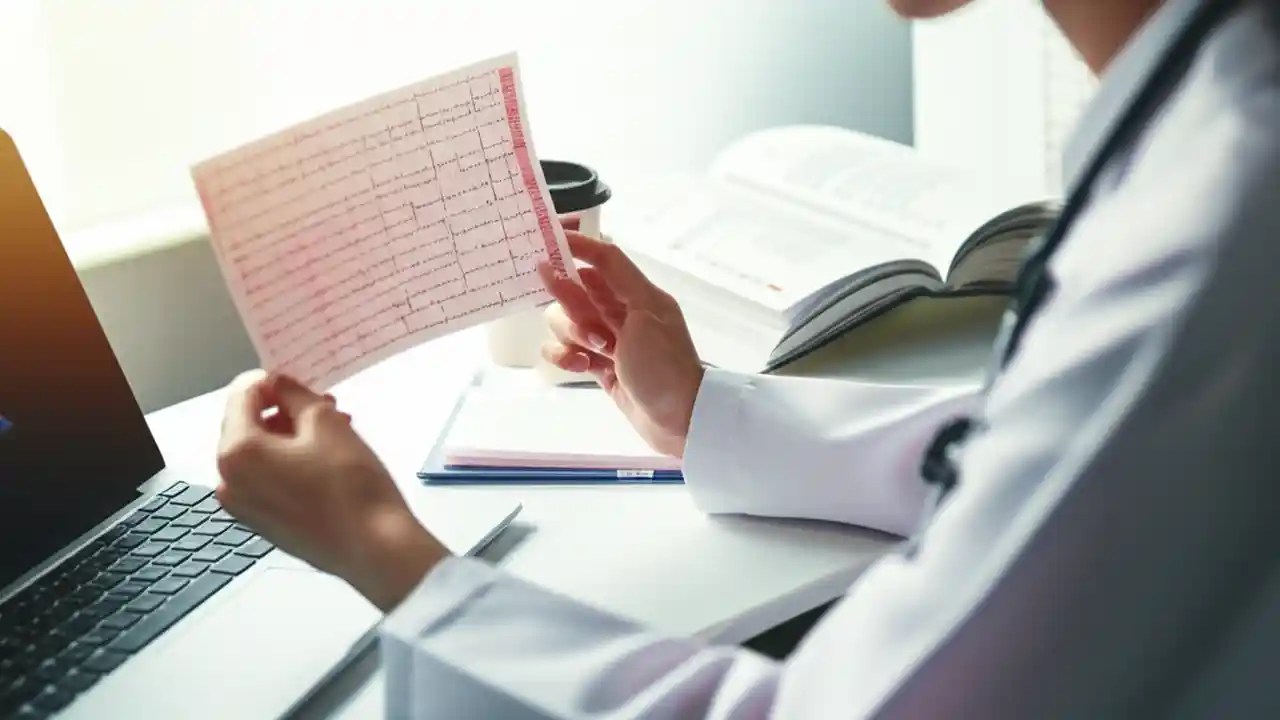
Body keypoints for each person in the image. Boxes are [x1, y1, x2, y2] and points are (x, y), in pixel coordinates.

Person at [213, 0, 1280, 716]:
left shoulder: (1220, 204)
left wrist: (387, 555)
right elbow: (1077, 458)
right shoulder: (1203, 122)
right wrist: (703, 415)